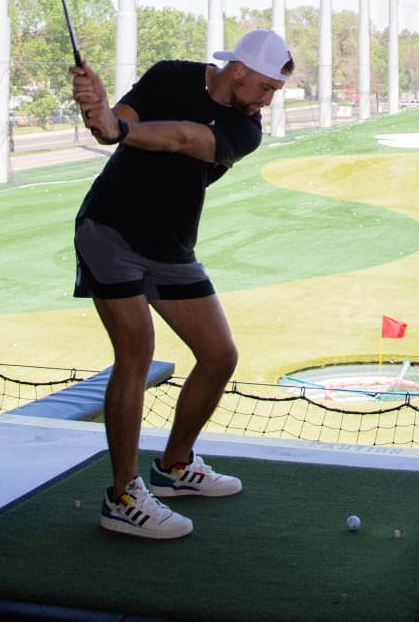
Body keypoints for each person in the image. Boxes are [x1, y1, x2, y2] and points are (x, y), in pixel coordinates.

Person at [69, 29, 294, 539]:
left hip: (170, 245)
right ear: (237, 69)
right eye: (263, 88)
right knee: (137, 353)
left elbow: (183, 138)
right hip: (110, 228)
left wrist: (116, 127)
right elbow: (117, 126)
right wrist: (103, 112)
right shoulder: (170, 74)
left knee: (219, 355)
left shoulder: (246, 129)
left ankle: (173, 467)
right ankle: (123, 496)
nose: (266, 101)